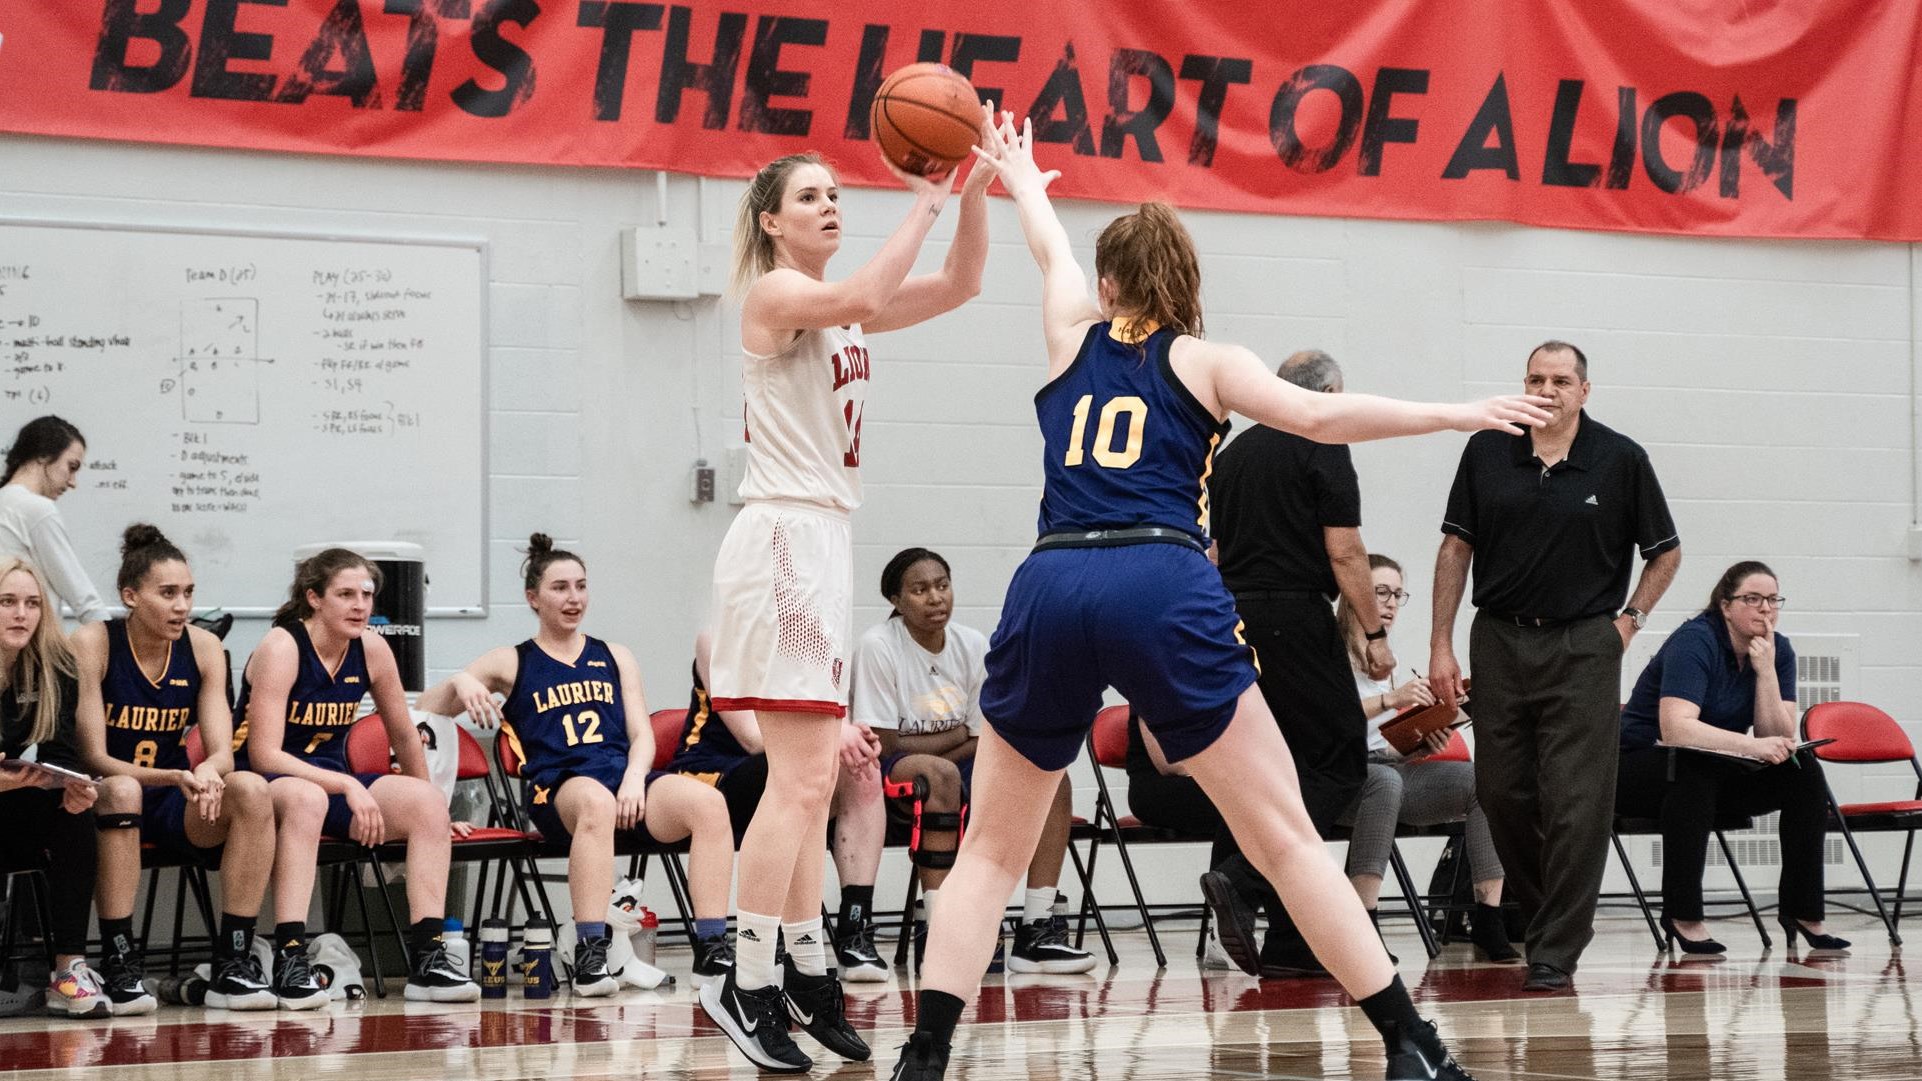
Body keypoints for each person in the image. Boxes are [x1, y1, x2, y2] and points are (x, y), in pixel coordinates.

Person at [889, 113, 1549, 1081]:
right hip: (1160, 577)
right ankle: (1411, 1045)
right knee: (1280, 834)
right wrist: (1456, 411)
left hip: (1054, 576)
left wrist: (1021, 174)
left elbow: (1046, 247)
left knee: (989, 848)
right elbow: (1320, 415)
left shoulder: (1068, 336)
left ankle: (922, 1057)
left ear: (1110, 284)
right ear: (1184, 285)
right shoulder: (1206, 359)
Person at [697, 111, 992, 1074]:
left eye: (835, 192)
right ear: (774, 222)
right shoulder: (776, 293)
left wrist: (975, 196)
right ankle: (743, 980)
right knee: (795, 780)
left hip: (822, 539)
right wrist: (927, 194)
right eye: (812, 195)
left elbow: (960, 284)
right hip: (782, 534)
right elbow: (872, 280)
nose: (830, 204)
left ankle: (809, 967)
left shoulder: (841, 307)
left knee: (818, 778)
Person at [1427, 339, 1681, 993]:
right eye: (1536, 378)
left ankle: (1555, 948)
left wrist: (1631, 620)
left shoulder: (1620, 459)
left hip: (1585, 644)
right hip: (1500, 639)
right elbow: (1456, 548)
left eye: (1561, 380)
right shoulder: (1488, 448)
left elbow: (1666, 552)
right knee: (1502, 792)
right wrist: (1441, 644)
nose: (1547, 390)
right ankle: (1545, 915)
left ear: (1584, 391)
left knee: (1577, 800)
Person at [417, 534, 740, 995]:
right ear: (533, 598)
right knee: (594, 801)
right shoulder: (511, 659)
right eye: (560, 588)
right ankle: (592, 953)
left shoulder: (615, 655)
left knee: (708, 803)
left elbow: (641, 734)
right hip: (559, 787)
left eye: (581, 586)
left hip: (621, 779)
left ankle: (711, 949)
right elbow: (426, 713)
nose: (574, 598)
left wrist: (633, 778)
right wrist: (461, 681)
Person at [1202, 348, 1395, 977]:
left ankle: (1292, 942)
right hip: (1294, 616)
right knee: (1340, 761)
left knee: (1276, 774)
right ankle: (1244, 875)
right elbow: (1345, 552)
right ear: (1330, 393)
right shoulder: (1322, 441)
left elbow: (1212, 547)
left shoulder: (1229, 457)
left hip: (1233, 616)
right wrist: (1372, 630)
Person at [235, 547, 478, 1004]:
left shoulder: (371, 647)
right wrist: (347, 783)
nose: (360, 605)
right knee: (309, 799)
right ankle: (291, 954)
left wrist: (436, 809)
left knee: (426, 804)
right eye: (345, 594)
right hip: (267, 778)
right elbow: (263, 753)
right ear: (314, 598)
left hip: (327, 778)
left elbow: (406, 738)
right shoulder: (283, 646)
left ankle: (428, 959)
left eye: (366, 594)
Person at [852, 547, 1093, 975]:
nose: (935, 598)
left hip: (956, 762)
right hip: (891, 774)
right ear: (896, 600)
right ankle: (941, 927)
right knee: (940, 774)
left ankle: (1037, 928)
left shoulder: (973, 643)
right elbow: (887, 744)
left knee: (1051, 774)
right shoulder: (878, 646)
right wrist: (961, 733)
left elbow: (987, 738)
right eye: (920, 590)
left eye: (942, 586)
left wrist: (960, 739)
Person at [73, 525, 278, 1013]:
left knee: (249, 786)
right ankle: (120, 962)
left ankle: (233, 960)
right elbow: (93, 758)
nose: (182, 606)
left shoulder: (203, 647)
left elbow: (222, 750)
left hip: (172, 798)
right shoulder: (94, 642)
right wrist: (178, 776)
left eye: (188, 593)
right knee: (122, 788)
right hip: (104, 794)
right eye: (167, 594)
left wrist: (207, 771)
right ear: (130, 596)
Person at [1616, 560, 1846, 953]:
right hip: (1637, 767)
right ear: (1725, 605)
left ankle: (1802, 910)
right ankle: (1683, 915)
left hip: (1710, 771)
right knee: (1694, 765)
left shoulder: (1778, 649)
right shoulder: (1695, 641)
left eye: (1773, 600)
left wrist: (1767, 672)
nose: (1766, 609)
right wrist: (1753, 746)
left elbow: (1777, 735)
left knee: (1802, 770)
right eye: (1752, 599)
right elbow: (1677, 729)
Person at [667, 633, 889, 982]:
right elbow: (752, 737)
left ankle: (855, 930)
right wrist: (835, 737)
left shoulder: (811, 637)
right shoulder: (717, 638)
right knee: (794, 771)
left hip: (787, 768)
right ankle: (763, 941)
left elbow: (829, 719)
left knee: (862, 769)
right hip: (717, 771)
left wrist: (852, 739)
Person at [1335, 554, 1516, 963]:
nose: (1391, 603)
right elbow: (1328, 718)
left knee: (1481, 778)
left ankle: (1488, 918)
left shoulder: (1386, 659)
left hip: (1386, 769)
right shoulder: (1329, 649)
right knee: (1384, 782)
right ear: (1355, 595)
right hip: (1340, 777)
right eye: (1381, 592)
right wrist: (1390, 699)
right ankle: (1364, 922)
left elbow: (1383, 744)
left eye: (1398, 595)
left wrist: (1420, 740)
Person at [0, 557, 107, 1017]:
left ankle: (68, 971)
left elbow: (60, 751)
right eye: (7, 602)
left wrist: (73, 787)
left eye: (32, 603)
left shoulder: (56, 664)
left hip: (21, 806)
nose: (21, 614)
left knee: (74, 816)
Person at [0, 417, 106, 624]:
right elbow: (84, 600)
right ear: (43, 455)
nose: (72, 482)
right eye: (71, 467)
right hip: (32, 647)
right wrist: (119, 649)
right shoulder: (36, 509)